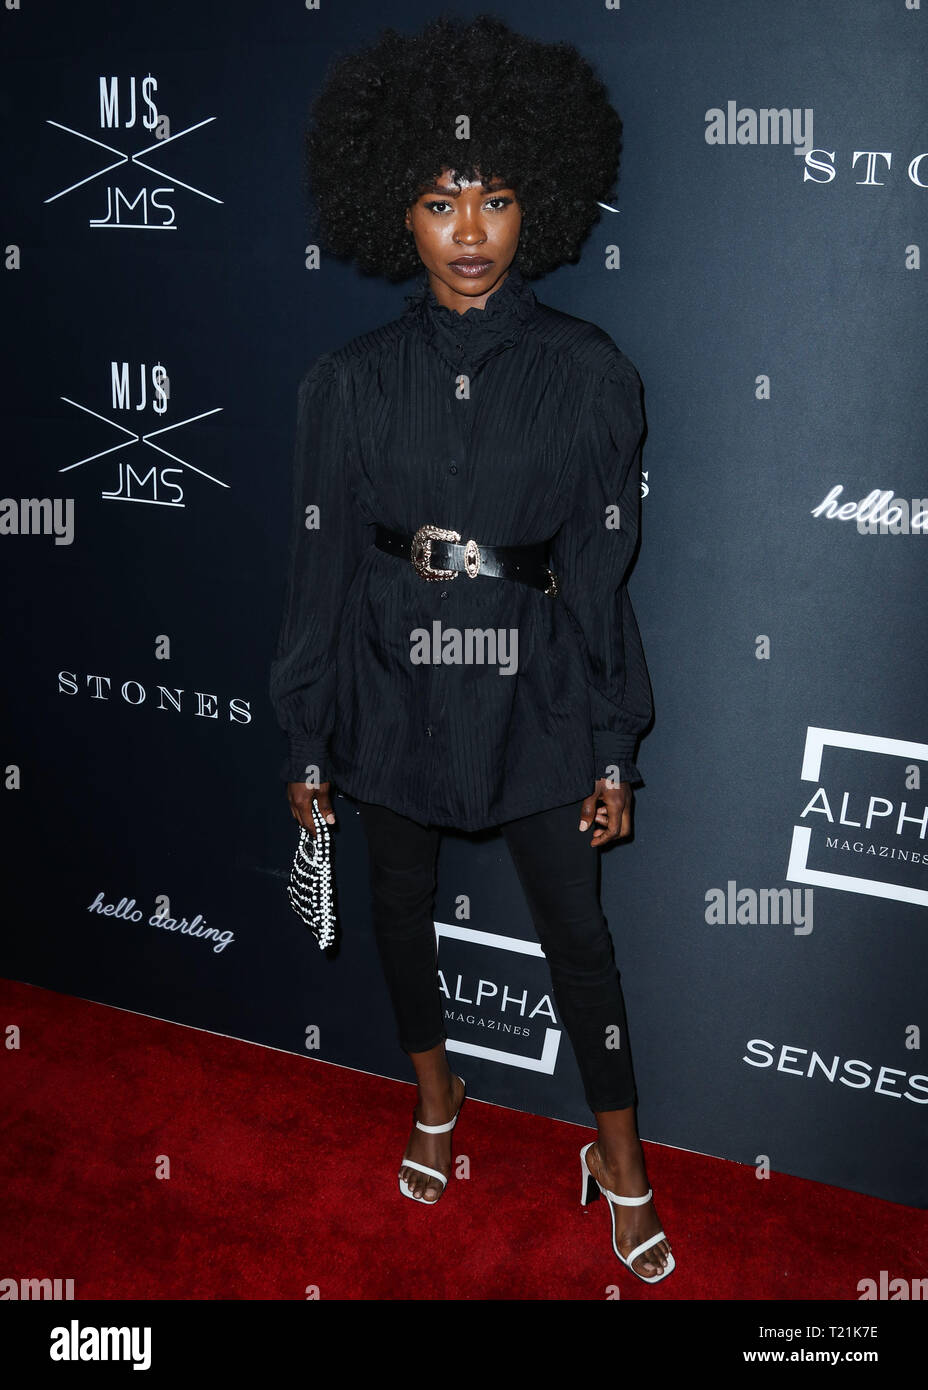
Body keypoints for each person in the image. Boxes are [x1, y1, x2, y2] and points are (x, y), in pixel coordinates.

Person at [269, 13, 673, 1283]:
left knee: (581, 939)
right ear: (397, 212)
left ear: (532, 208)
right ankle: (435, 1104)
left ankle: (618, 1162)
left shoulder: (590, 373)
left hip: (536, 690)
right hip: (390, 684)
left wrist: (613, 741)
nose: (469, 230)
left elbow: (603, 574)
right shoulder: (346, 382)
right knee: (400, 910)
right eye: (442, 201)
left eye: (495, 199)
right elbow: (321, 568)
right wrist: (305, 730)